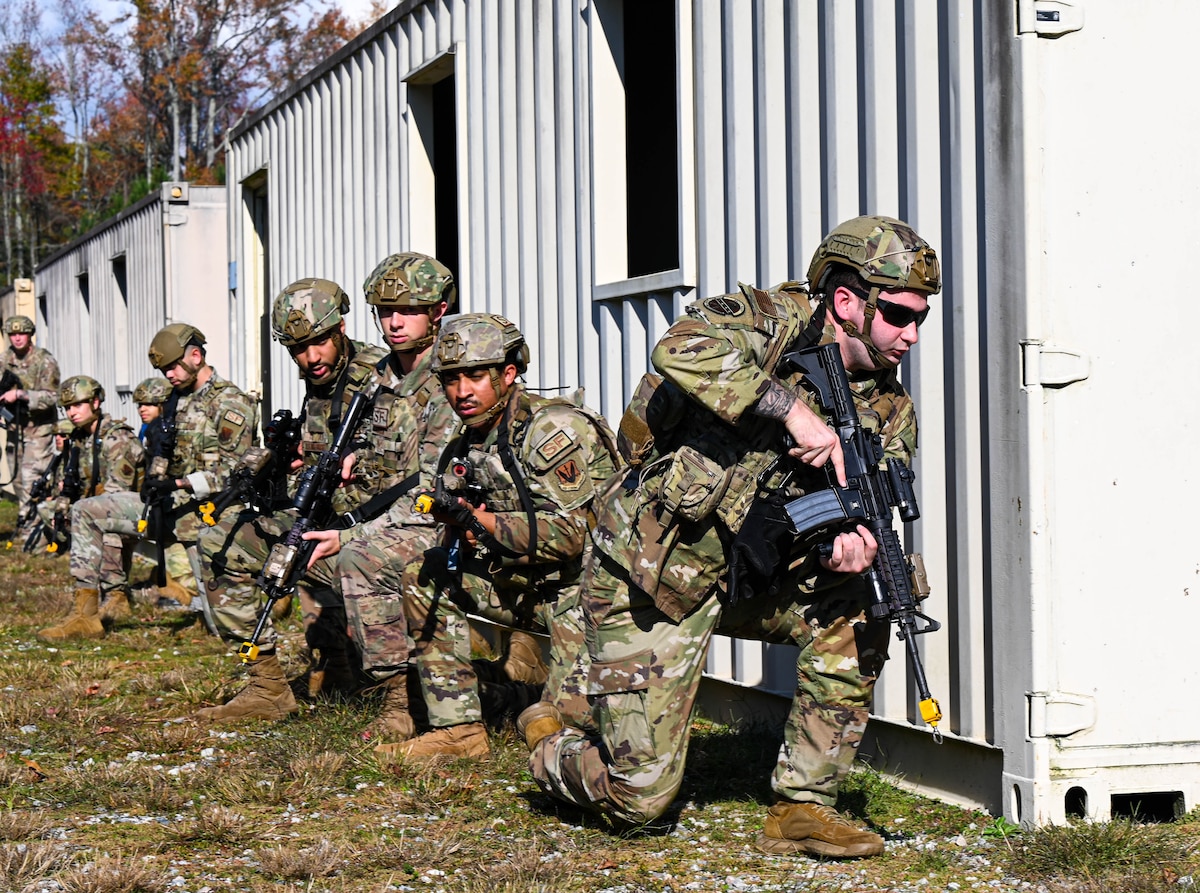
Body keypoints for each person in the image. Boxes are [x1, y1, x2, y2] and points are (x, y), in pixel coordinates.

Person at [525, 215, 941, 859]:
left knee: (868, 600)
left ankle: (803, 804)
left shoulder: (890, 409)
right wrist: (792, 411)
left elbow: (865, 501)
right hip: (654, 575)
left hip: (753, 576)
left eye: (920, 319)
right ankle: (550, 738)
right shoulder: (769, 323)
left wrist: (849, 543)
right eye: (898, 315)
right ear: (846, 302)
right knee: (639, 800)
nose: (911, 335)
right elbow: (678, 347)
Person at [387, 312, 621, 760]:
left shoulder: (551, 430)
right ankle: (458, 730)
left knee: (569, 728)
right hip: (527, 586)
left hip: (586, 594)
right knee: (425, 574)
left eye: (475, 376)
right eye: (451, 379)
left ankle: (518, 697)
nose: (461, 391)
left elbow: (574, 536)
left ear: (508, 374)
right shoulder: (469, 441)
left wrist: (484, 523)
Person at [193, 277, 391, 722]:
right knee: (222, 540)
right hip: (328, 516)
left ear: (340, 329)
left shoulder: (380, 377)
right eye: (298, 348)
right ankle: (267, 688)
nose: (310, 357)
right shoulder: (320, 381)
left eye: (319, 342)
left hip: (374, 527)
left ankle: (356, 673)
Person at [299, 252, 461, 744]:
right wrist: (353, 459)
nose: (394, 322)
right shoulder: (383, 376)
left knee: (359, 558)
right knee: (299, 549)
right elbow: (382, 447)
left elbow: (432, 485)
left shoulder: (452, 374)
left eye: (408, 310)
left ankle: (401, 701)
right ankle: (339, 667)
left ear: (438, 310)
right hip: (394, 515)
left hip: (446, 518)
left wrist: (354, 533)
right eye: (386, 311)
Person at [37, 324, 257, 641]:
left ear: (196, 356)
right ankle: (85, 616)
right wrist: (156, 477)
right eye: (163, 370)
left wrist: (180, 483)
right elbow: (164, 450)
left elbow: (237, 472)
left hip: (209, 517)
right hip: (164, 507)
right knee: (86, 511)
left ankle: (257, 599)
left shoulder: (230, 402)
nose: (168, 375)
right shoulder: (176, 400)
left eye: (173, 367)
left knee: (228, 629)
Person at [34, 376, 144, 561]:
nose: (71, 413)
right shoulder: (80, 438)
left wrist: (77, 513)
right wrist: (62, 510)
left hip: (125, 513)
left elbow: (116, 497)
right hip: (97, 509)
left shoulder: (116, 438)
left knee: (106, 572)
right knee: (49, 509)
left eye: (77, 405)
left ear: (95, 402)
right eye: (67, 407)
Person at [0, 315, 60, 542]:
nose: (17, 338)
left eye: (22, 334)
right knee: (17, 480)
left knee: (31, 479)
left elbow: (52, 397)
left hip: (39, 428)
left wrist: (22, 394)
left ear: (30, 335)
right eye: (13, 334)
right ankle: (29, 522)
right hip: (15, 428)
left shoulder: (45, 361)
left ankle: (34, 534)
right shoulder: (4, 359)